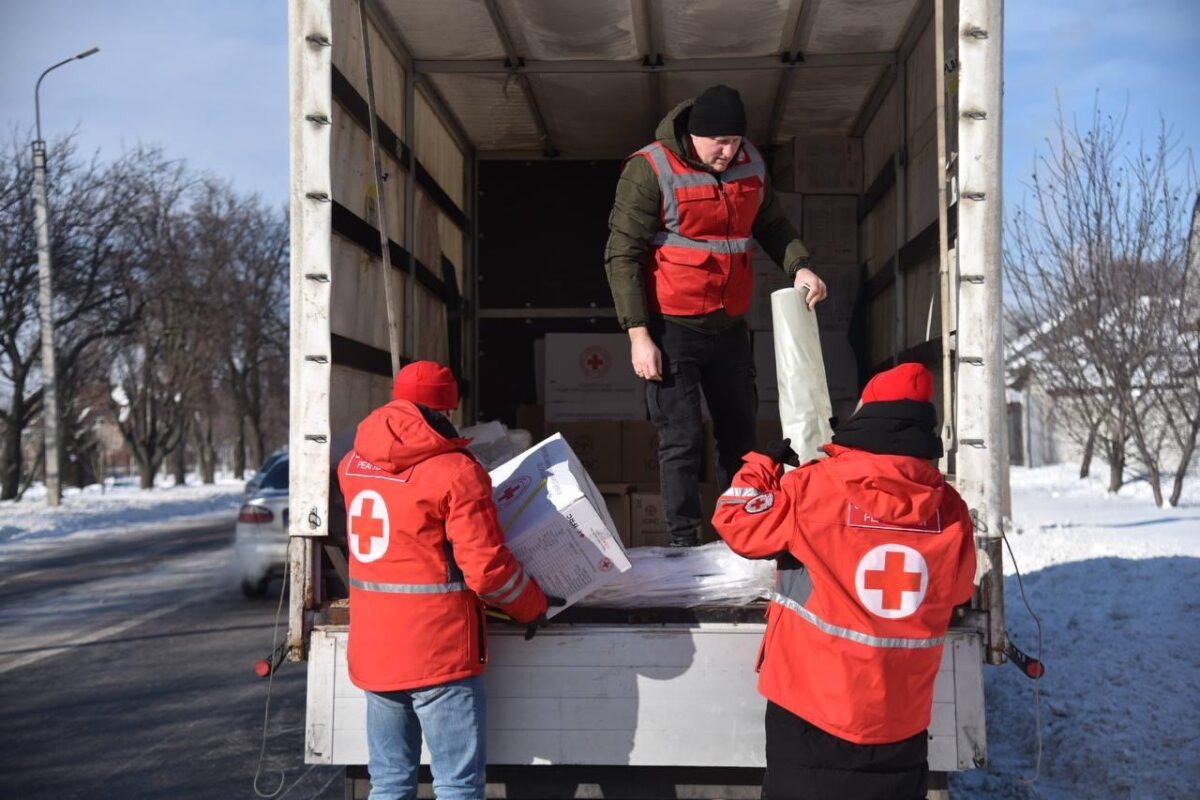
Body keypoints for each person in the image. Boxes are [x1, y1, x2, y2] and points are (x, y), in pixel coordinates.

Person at [712, 363, 979, 800]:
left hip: (811, 717)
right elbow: (958, 591)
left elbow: (735, 519)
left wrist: (762, 464)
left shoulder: (813, 488)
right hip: (900, 724)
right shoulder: (950, 509)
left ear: (866, 417)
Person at [604, 83, 828, 547]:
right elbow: (621, 253)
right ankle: (683, 544)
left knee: (740, 439)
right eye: (718, 143)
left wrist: (800, 265)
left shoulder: (751, 164)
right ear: (695, 134)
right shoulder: (650, 169)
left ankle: (739, 535)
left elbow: (770, 223)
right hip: (672, 327)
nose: (727, 152)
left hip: (728, 326)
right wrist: (638, 335)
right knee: (681, 441)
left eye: (735, 141)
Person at [338, 360, 554, 800]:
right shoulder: (457, 472)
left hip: (375, 653)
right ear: (447, 409)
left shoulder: (351, 464)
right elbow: (488, 572)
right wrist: (534, 605)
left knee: (388, 783)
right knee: (456, 786)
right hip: (439, 654)